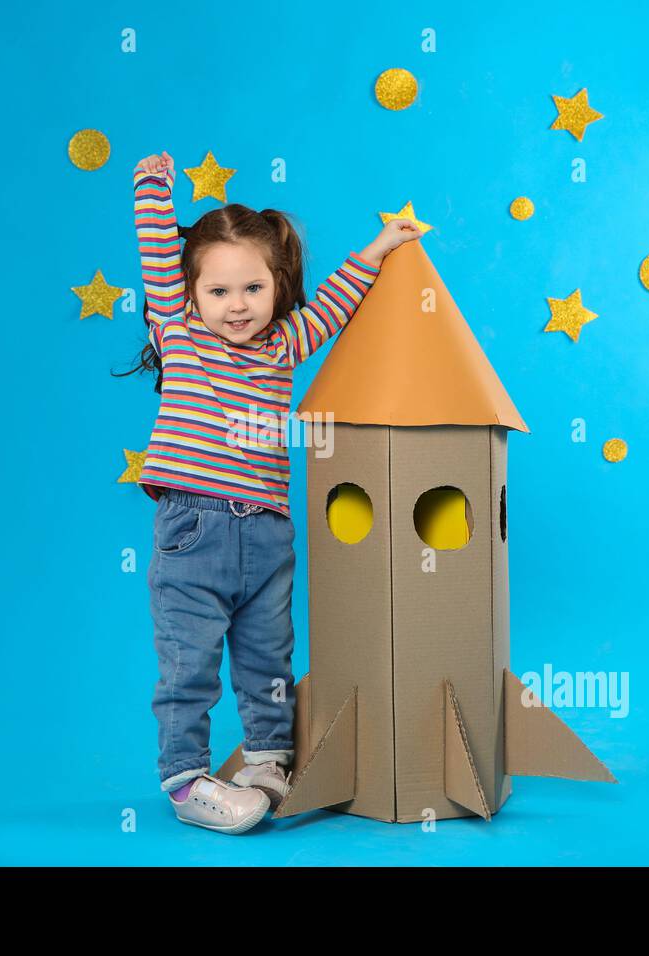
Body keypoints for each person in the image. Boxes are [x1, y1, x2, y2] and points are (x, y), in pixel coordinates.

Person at [116, 150, 421, 834]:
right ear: (190, 295)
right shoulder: (180, 331)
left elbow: (341, 300)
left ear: (279, 286)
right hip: (193, 529)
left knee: (267, 653)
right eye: (219, 291)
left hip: (268, 532)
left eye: (253, 289)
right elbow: (158, 253)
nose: (236, 306)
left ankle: (266, 761)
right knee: (189, 662)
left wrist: (379, 247)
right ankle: (187, 780)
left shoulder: (283, 345)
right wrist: (151, 184)